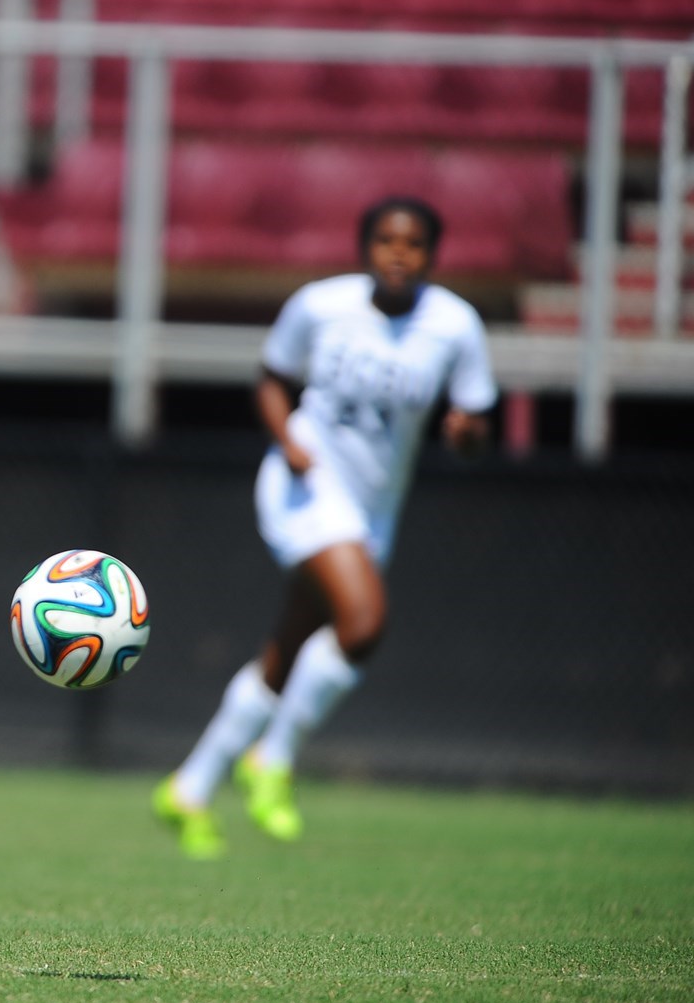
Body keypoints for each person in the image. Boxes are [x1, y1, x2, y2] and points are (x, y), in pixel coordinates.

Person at [152, 195, 495, 860]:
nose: (400, 252)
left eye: (415, 243)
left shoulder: (455, 326)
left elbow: (475, 426)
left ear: (432, 255)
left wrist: (469, 434)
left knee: (287, 652)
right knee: (363, 624)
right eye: (387, 240)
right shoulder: (321, 305)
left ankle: (189, 789)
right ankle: (272, 758)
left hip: (372, 510)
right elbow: (273, 380)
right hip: (304, 486)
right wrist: (288, 439)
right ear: (366, 247)